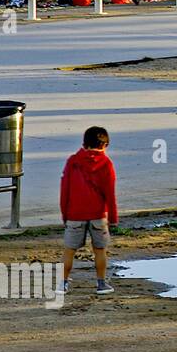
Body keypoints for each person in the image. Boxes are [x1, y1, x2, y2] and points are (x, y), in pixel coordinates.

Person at [60, 126, 118, 295]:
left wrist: (65, 214)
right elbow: (110, 193)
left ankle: (62, 284)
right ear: (105, 145)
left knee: (69, 250)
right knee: (100, 250)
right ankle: (101, 284)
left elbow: (65, 190)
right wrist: (113, 218)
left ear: (84, 143)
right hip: (98, 214)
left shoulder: (73, 161)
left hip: (74, 214)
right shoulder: (106, 164)